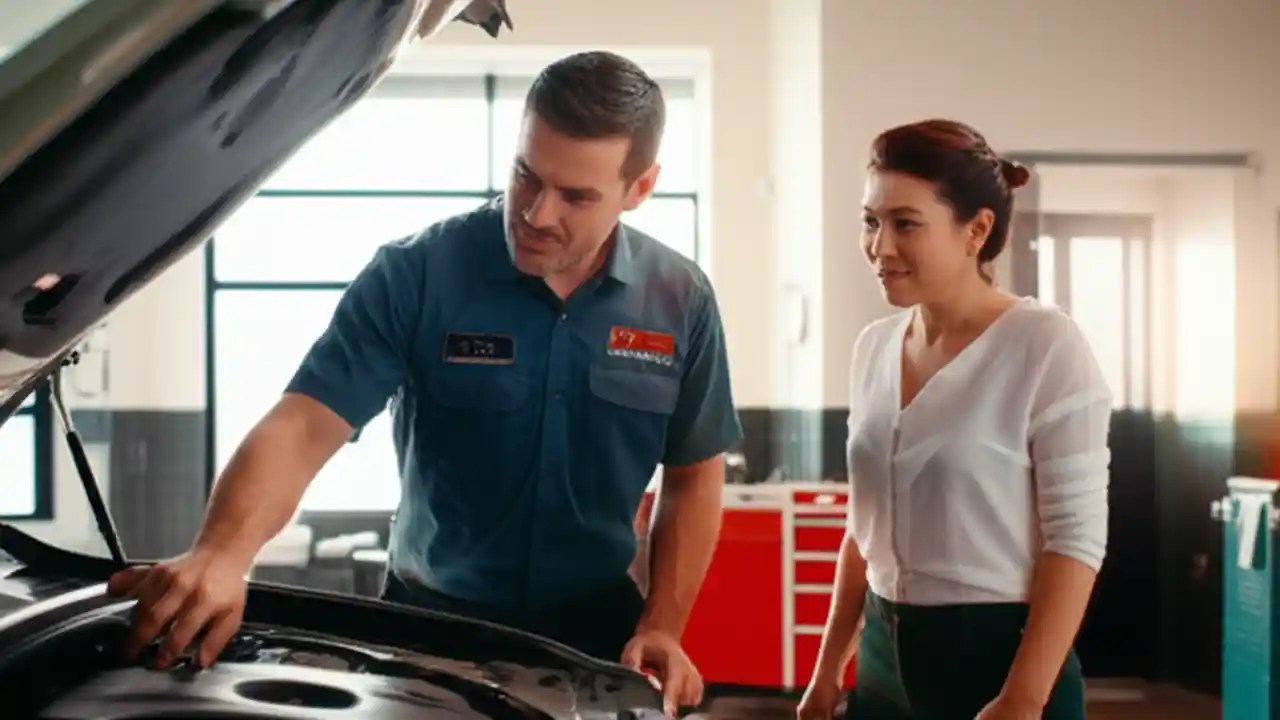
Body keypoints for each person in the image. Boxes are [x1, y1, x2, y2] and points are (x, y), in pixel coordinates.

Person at [107, 50, 741, 718]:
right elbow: (304, 424)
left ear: (639, 189)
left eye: (577, 196)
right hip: (429, 626)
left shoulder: (680, 301)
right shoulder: (418, 274)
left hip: (598, 636)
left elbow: (694, 473)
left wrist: (664, 624)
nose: (536, 212)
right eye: (526, 175)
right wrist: (222, 551)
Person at [796, 119, 1111, 720]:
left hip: (1000, 659)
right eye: (870, 220)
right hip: (884, 658)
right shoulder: (873, 347)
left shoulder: (1044, 343)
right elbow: (863, 533)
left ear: (977, 230)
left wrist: (1022, 698)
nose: (879, 247)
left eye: (905, 223)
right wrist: (828, 671)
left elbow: (1075, 540)